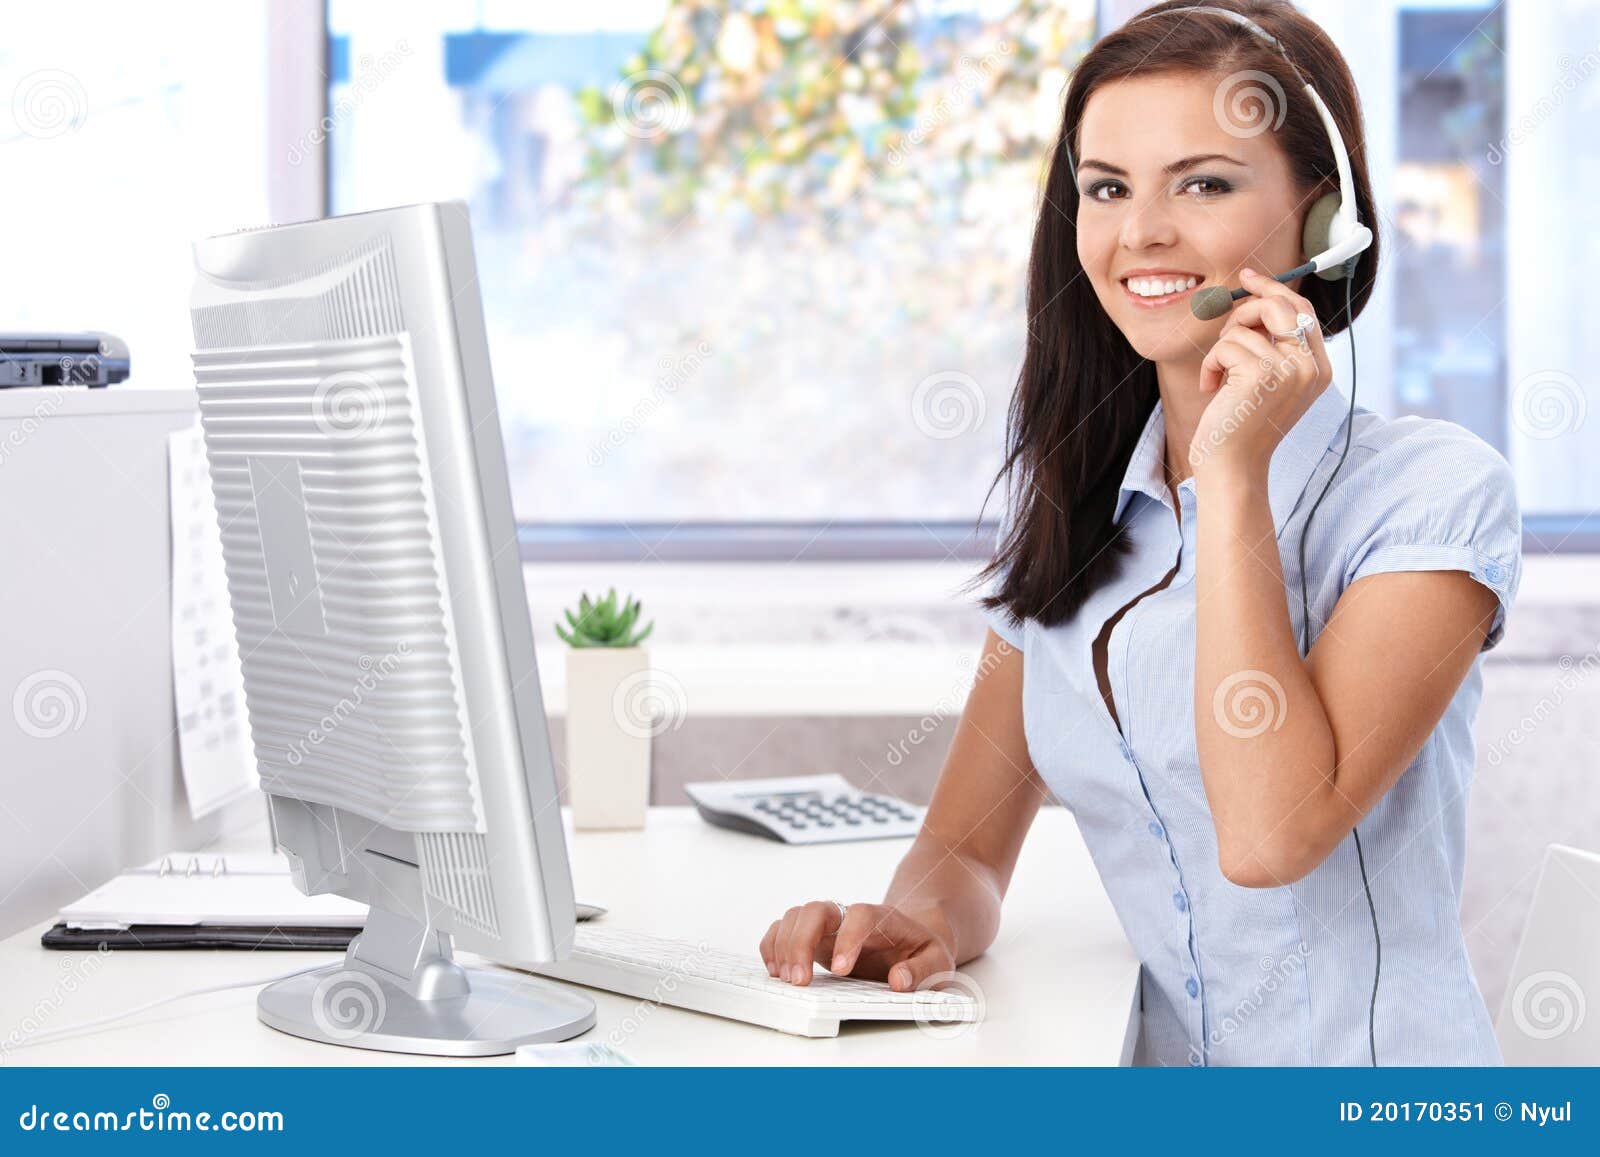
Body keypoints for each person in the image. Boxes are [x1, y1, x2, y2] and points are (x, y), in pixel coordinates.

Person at [756, 0, 1521, 1066]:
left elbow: (1267, 837)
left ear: (1321, 216)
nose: (1140, 233)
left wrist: (1232, 476)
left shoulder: (1430, 497)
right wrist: (917, 921)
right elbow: (965, 848)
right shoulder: (1084, 514)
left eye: (1203, 183)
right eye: (1106, 188)